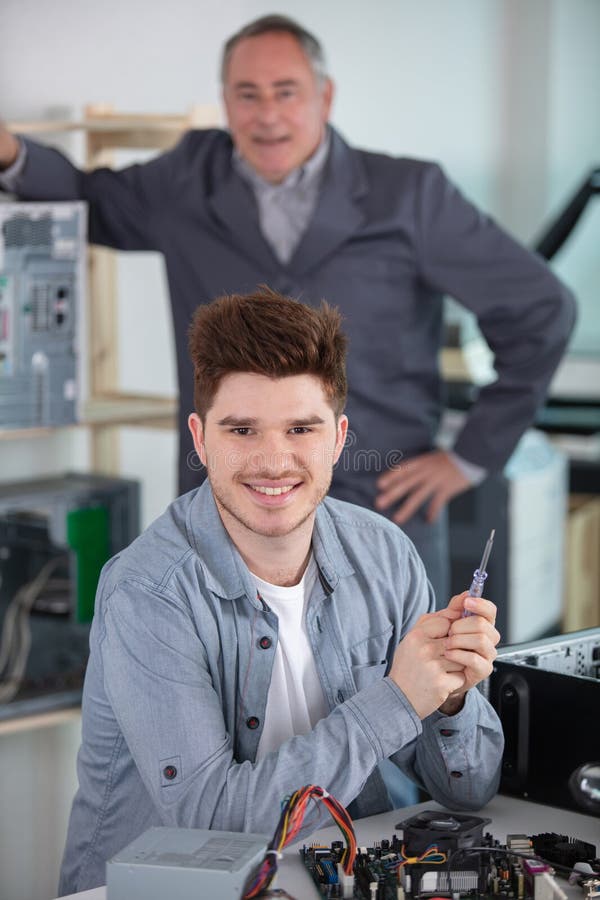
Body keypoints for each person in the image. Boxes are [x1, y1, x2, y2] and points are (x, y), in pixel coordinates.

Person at [0, 14, 576, 609]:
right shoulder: (185, 180)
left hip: (374, 502)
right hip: (227, 511)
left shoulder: (408, 195)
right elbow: (89, 199)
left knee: (402, 691)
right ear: (224, 102)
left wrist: (471, 456)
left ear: (324, 97)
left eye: (286, 92)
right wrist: (10, 151)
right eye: (247, 95)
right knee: (222, 691)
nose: (267, 115)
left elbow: (543, 309)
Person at [57, 287, 503, 895]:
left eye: (301, 428)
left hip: (330, 877)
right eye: (241, 429)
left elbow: (470, 792)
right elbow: (213, 825)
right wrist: (400, 701)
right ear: (199, 437)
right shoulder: (146, 593)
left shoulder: (385, 554)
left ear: (339, 438)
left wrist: (451, 696)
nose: (273, 460)